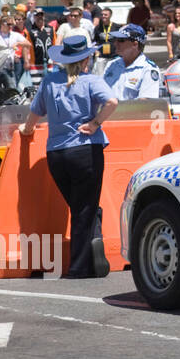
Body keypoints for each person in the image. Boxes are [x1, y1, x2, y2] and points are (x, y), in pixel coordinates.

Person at [18, 34, 117, 279]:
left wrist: (27, 130)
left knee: (80, 206)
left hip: (56, 154)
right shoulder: (91, 81)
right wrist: (95, 123)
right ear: (86, 59)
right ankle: (79, 267)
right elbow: (112, 102)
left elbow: (33, 114)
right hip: (85, 149)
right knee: (84, 208)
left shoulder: (50, 81)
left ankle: (92, 245)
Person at [103, 25, 163, 100]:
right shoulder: (112, 64)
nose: (115, 43)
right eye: (115, 39)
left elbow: (145, 104)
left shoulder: (148, 69)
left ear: (135, 44)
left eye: (121, 40)